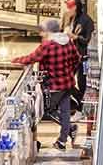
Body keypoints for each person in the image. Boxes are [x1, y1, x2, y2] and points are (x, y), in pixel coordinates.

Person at [13, 18, 81, 151]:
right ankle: (62, 141)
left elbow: (31, 58)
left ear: (49, 31)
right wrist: (68, 71)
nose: (40, 34)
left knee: (45, 111)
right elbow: (77, 58)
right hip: (67, 83)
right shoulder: (68, 41)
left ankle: (70, 129)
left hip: (54, 86)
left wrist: (15, 60)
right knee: (65, 112)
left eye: (42, 31)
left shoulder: (48, 45)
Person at [65, 0, 94, 108]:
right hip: (75, 56)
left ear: (75, 7)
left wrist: (75, 37)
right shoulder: (73, 19)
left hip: (83, 58)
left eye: (70, 8)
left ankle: (82, 106)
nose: (68, 10)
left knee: (82, 83)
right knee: (67, 80)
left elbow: (88, 40)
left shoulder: (86, 21)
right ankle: (79, 102)